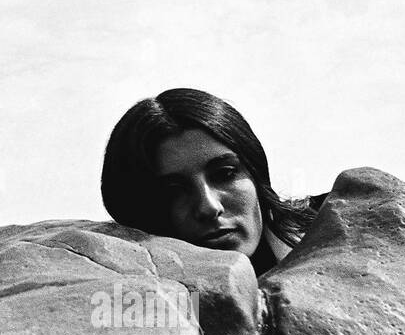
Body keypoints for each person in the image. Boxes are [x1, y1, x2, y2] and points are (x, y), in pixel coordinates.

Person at [100, 87, 315, 275]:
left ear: (256, 173)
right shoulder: (136, 309)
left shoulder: (334, 235)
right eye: (174, 191)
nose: (209, 207)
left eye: (225, 174)